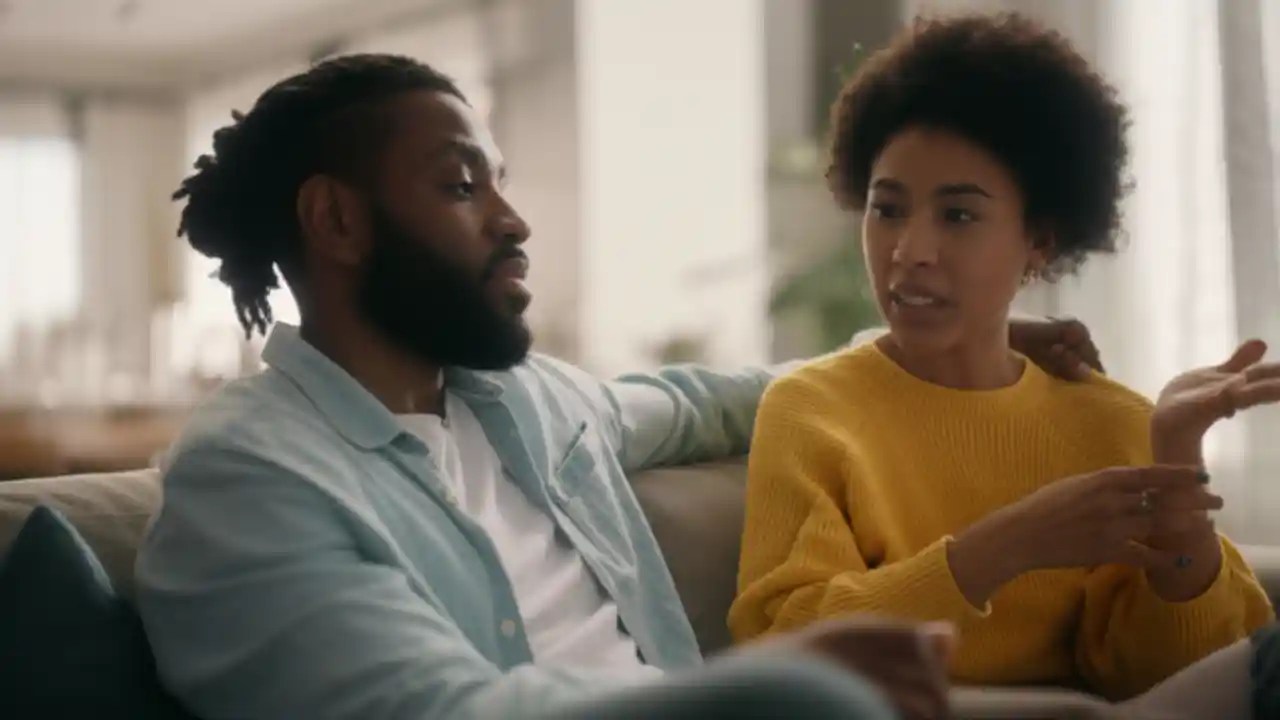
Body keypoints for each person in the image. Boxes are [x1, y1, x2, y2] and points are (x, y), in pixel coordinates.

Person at [136, 52, 1103, 720]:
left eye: (500, 181)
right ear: (337, 222)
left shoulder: (524, 403)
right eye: (462, 185)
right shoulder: (248, 478)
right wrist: (775, 681)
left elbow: (720, 399)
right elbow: (437, 712)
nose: (513, 221)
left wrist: (952, 338)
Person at [730, 12, 1278, 711]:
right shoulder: (813, 412)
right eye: (887, 209)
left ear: (1040, 242)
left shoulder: (1110, 421)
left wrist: (1174, 474)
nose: (909, 250)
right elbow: (779, 653)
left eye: (957, 216)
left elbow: (1180, 681)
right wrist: (1002, 548)